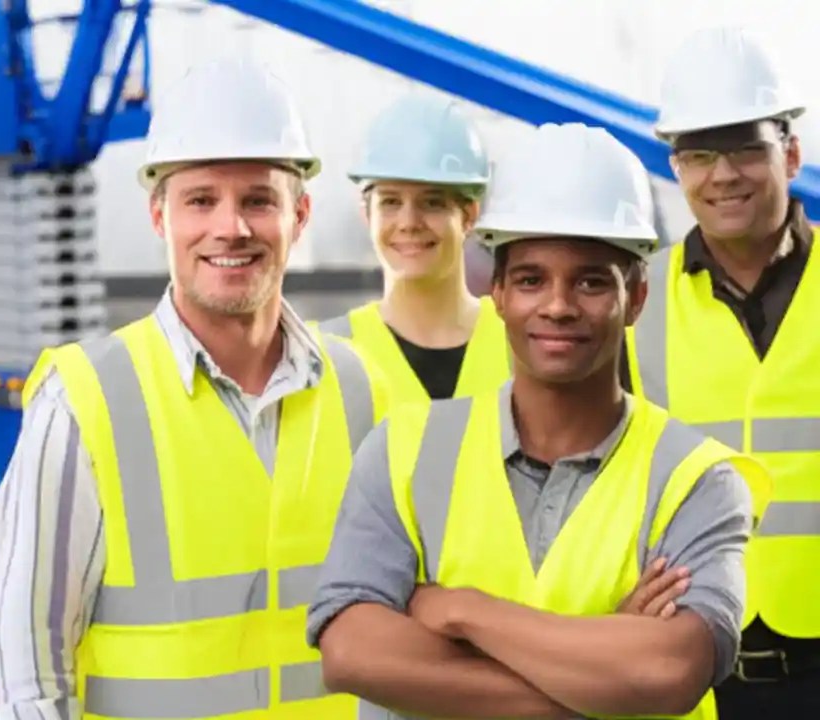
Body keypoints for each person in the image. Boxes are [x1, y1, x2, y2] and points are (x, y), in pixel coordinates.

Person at [0, 56, 391, 719]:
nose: (231, 227)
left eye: (259, 199)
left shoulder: (363, 390)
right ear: (160, 216)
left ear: (301, 214)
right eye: (202, 200)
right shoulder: (85, 402)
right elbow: (23, 664)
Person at [309, 122, 770, 720]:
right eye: (531, 280)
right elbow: (351, 654)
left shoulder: (698, 479)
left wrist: (463, 612)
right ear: (496, 292)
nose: (557, 304)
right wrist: (598, 679)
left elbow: (669, 669)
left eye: (590, 281)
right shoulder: (403, 451)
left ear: (636, 298)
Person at [626, 25, 820, 716]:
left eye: (746, 149)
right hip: (694, 667)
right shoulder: (634, 300)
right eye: (700, 154)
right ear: (676, 169)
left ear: (790, 154)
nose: (724, 174)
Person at [320, 91, 509, 400]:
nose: (409, 222)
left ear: (469, 215)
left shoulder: (520, 345)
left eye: (432, 203)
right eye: (391, 201)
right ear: (367, 214)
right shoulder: (326, 355)